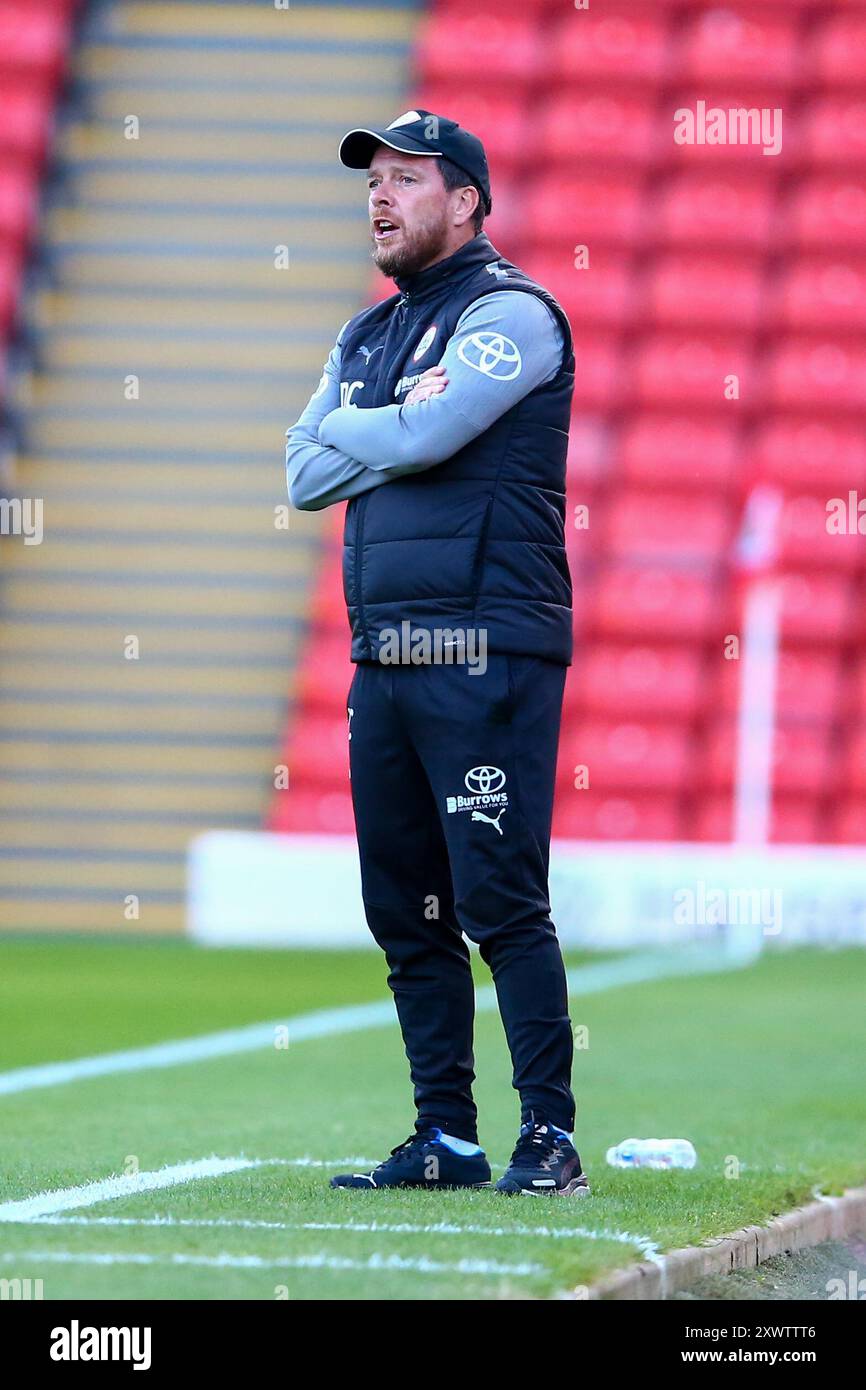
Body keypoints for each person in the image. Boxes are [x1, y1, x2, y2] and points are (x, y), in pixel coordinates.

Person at [285, 110, 589, 1196]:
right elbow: (299, 472)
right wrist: (389, 422)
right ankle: (445, 1138)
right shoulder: (366, 336)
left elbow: (417, 437)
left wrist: (366, 427)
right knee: (403, 907)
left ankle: (548, 1139)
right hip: (388, 652)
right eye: (372, 180)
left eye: (405, 179)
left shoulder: (512, 313)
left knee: (498, 901)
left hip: (484, 642)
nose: (378, 196)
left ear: (463, 199)